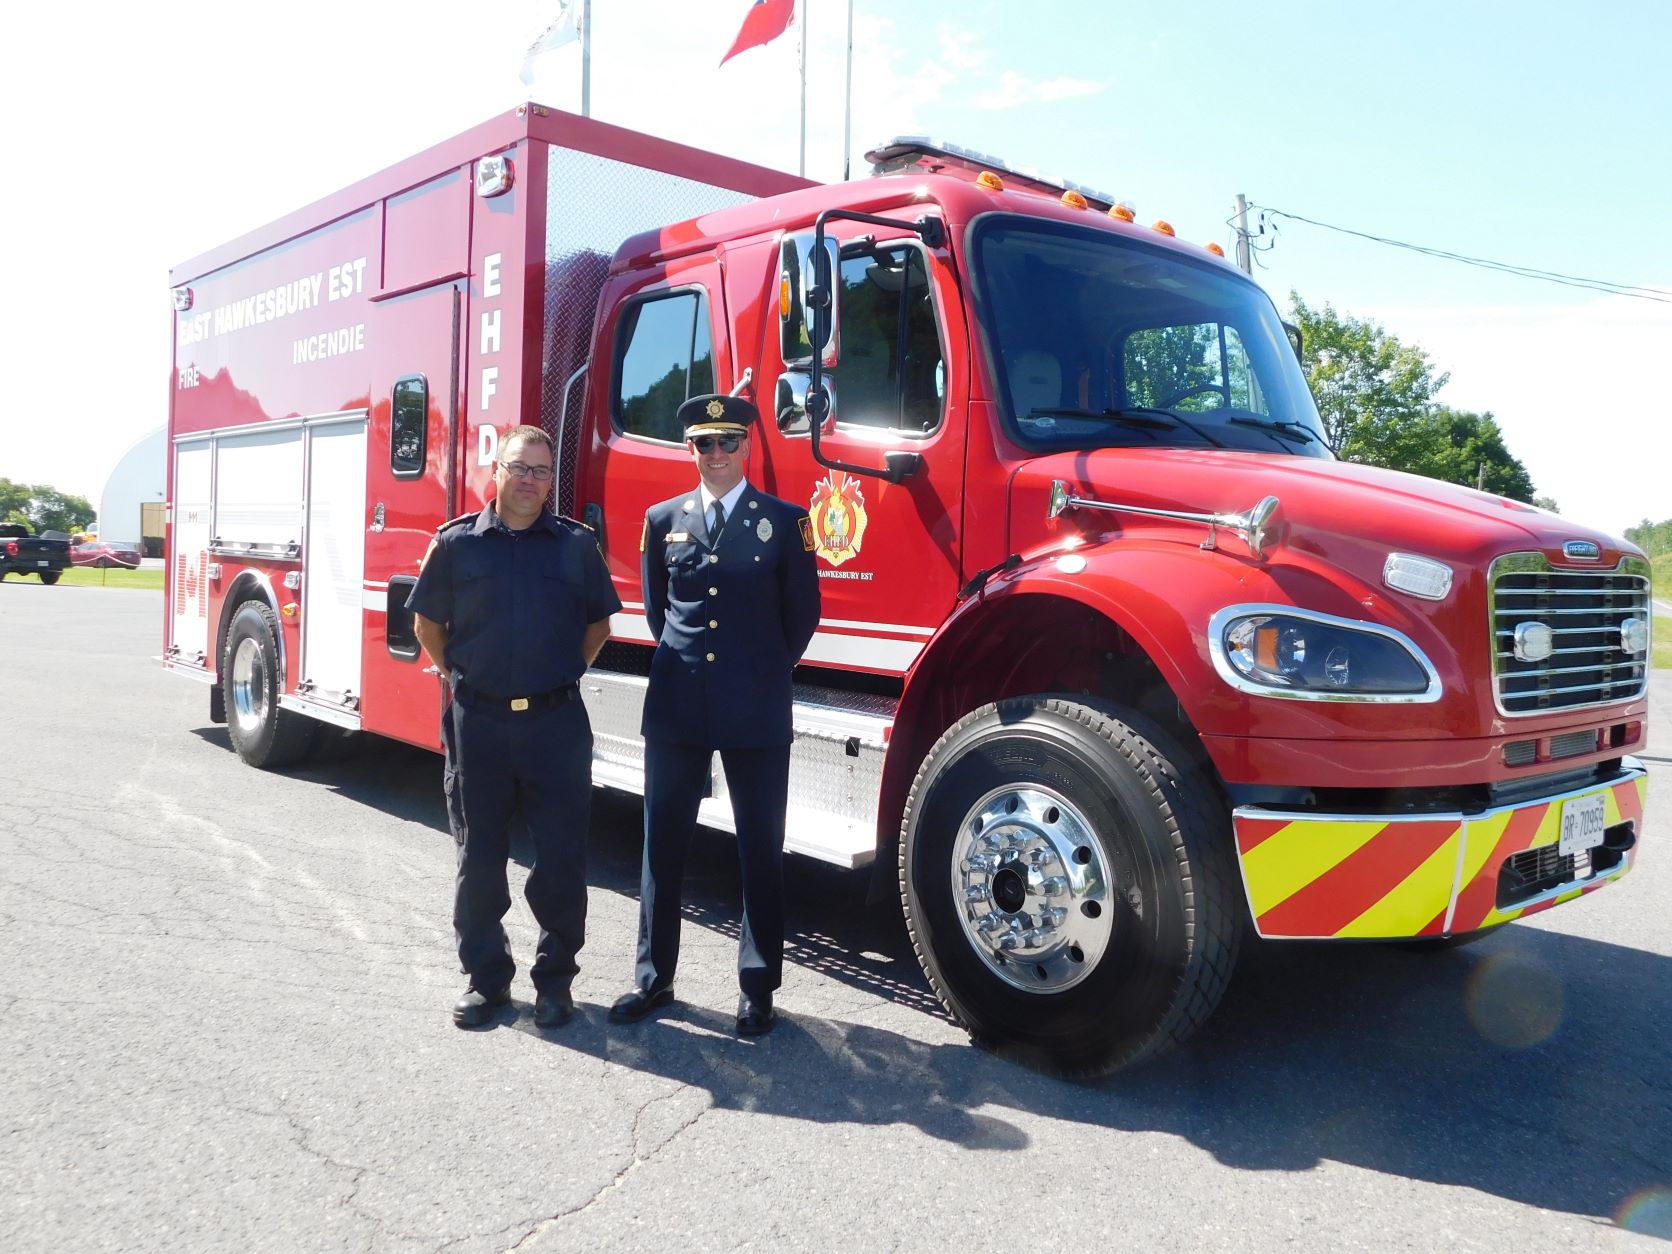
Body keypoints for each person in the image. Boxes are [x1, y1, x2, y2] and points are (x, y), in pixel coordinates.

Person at [608, 394, 820, 1037]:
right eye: (705, 443)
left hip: (755, 704)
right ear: (690, 450)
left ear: (748, 447)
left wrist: (757, 670)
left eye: (729, 441)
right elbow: (657, 610)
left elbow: (802, 616)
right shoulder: (661, 519)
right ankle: (653, 978)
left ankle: (758, 988)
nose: (717, 454)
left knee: (760, 846)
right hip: (677, 703)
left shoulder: (786, 522)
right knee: (661, 846)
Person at [408, 425, 619, 1030]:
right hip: (480, 723)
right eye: (518, 467)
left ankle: (556, 982)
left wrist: (557, 674)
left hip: (556, 723)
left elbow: (596, 627)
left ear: (551, 480)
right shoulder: (456, 545)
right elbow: (428, 624)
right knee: (479, 852)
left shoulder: (576, 547)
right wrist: (459, 677)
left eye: (540, 471)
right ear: (494, 472)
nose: (529, 480)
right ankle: (486, 980)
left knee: (560, 858)